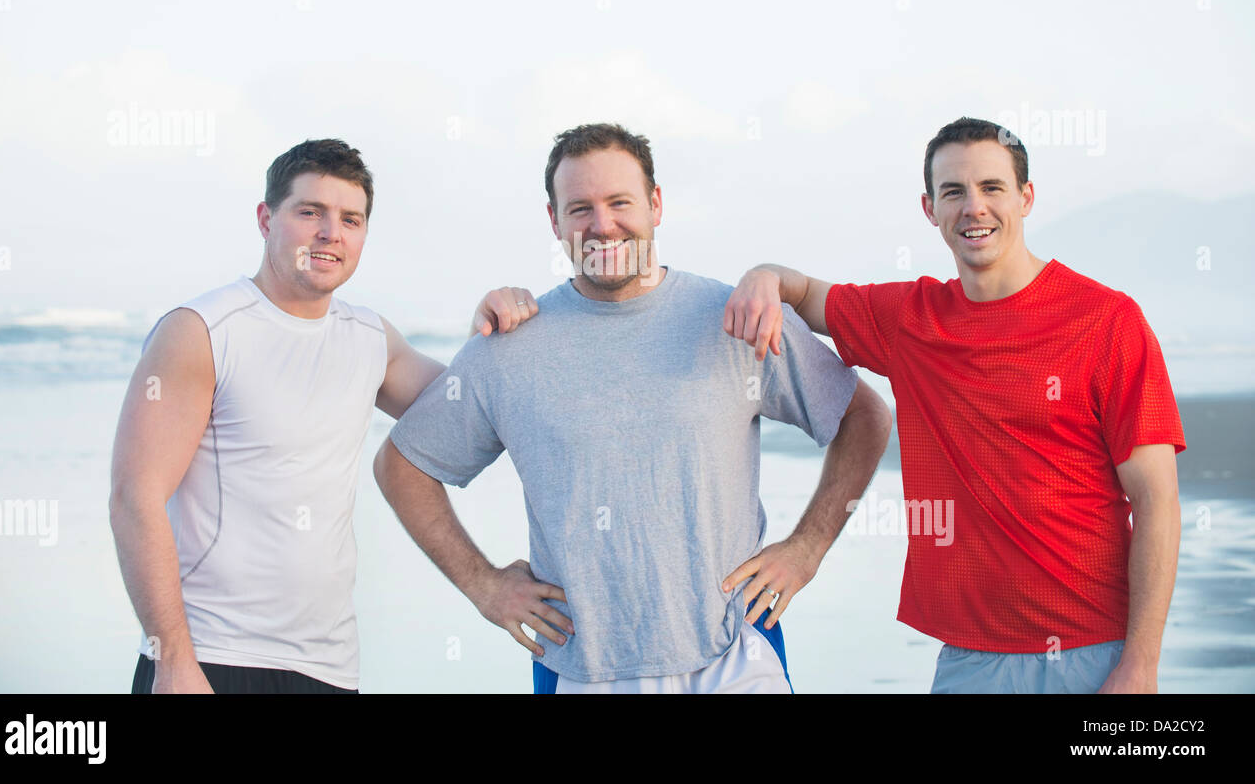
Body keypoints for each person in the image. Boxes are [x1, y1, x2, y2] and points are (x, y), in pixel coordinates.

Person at [376, 122, 892, 693]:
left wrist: (807, 548)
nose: (603, 224)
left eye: (620, 202)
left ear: (655, 204)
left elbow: (862, 414)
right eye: (580, 208)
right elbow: (403, 466)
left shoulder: (736, 317)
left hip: (733, 654)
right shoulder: (509, 347)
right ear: (554, 221)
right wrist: (484, 586)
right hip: (581, 663)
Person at [723, 116, 1185, 693]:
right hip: (968, 661)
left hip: (1092, 651)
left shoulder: (1105, 321)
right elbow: (806, 293)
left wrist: (1140, 665)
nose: (974, 208)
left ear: (1026, 197)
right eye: (954, 192)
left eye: (992, 188)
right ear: (929, 208)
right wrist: (762, 276)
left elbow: (1157, 499)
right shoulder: (911, 320)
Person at [110, 138, 448, 694]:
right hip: (212, 657)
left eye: (350, 219)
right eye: (309, 212)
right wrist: (171, 660)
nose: (330, 233)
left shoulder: (370, 339)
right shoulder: (202, 330)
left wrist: (506, 319)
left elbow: (477, 406)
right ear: (267, 218)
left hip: (329, 668)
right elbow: (133, 498)